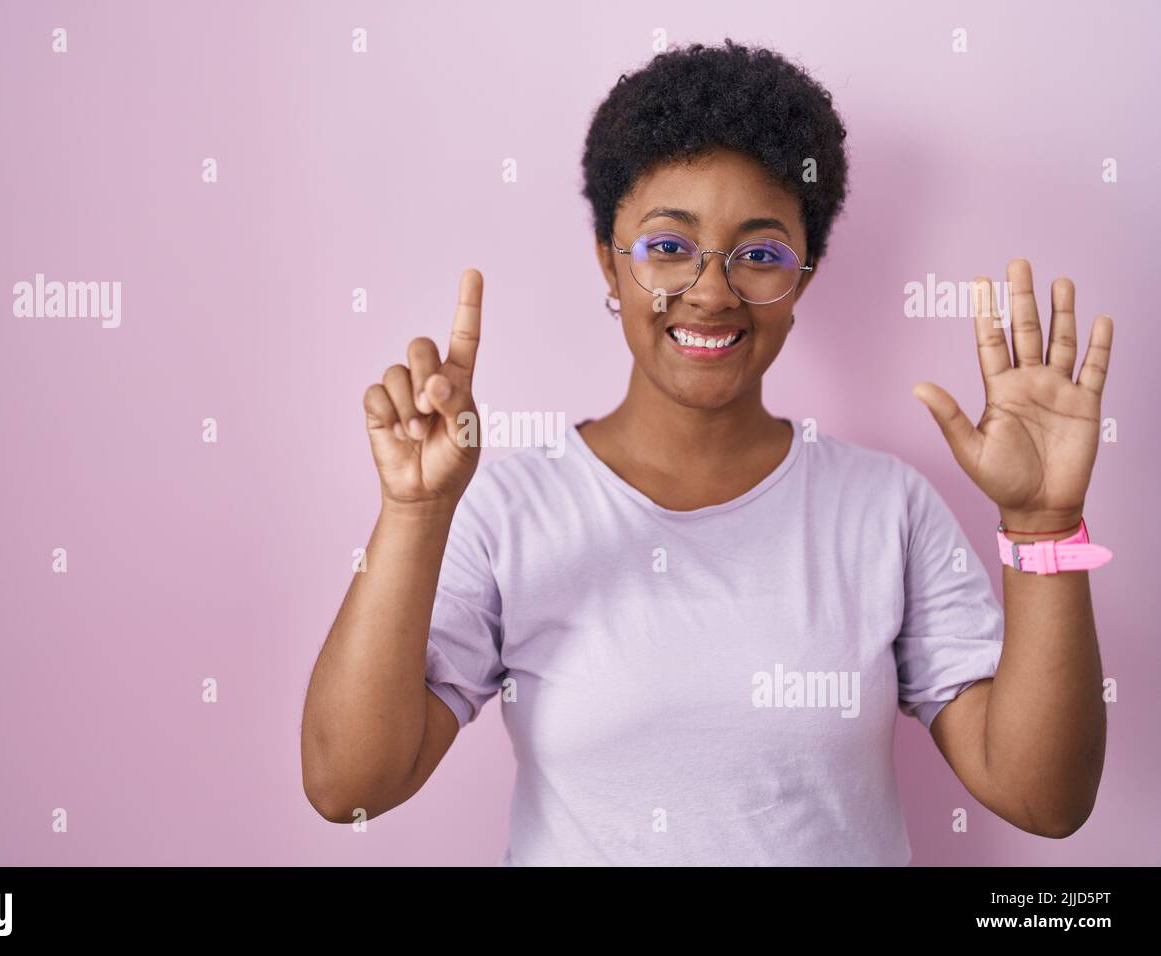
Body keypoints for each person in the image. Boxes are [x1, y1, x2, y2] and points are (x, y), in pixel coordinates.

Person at [301, 39, 1113, 865]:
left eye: (760, 254)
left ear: (804, 278)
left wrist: (1046, 525)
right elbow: (348, 786)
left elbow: (1044, 799)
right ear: (609, 268)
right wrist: (413, 512)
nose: (712, 290)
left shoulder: (887, 511)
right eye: (668, 246)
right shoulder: (510, 512)